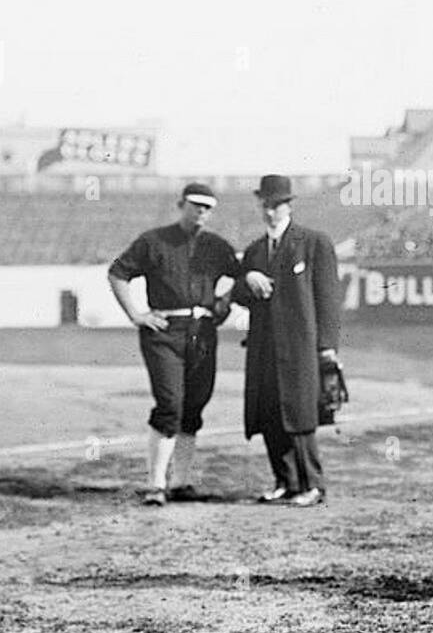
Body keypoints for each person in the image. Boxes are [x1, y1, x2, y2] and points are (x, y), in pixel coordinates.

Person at [108, 182, 239, 505]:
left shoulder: (216, 245)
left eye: (208, 207)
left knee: (195, 404)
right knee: (170, 403)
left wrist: (223, 304)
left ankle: (180, 482)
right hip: (165, 331)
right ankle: (155, 484)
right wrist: (136, 315)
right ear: (181, 204)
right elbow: (118, 273)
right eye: (195, 205)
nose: (201, 212)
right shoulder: (154, 241)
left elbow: (240, 274)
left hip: (203, 331)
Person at [230, 174, 342, 507]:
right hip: (263, 347)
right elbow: (238, 294)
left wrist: (327, 346)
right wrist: (247, 279)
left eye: (276, 205)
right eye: (265, 205)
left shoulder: (313, 242)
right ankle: (286, 481)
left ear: (288, 205)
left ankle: (313, 484)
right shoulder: (253, 251)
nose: (270, 212)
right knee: (269, 413)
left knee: (301, 414)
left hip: (301, 346)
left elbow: (328, 299)